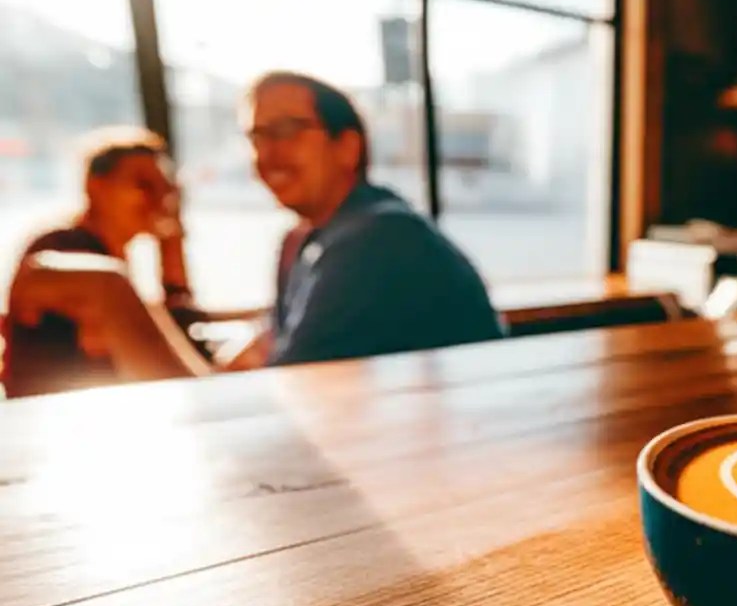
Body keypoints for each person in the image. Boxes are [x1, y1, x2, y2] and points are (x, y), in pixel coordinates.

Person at [8, 72, 503, 384]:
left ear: (348, 147)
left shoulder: (376, 239)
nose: (266, 155)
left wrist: (113, 295)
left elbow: (278, 413)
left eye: (286, 131)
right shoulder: (307, 241)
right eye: (257, 136)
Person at [2, 128, 193, 397]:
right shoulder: (68, 253)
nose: (161, 197)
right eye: (144, 185)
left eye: (165, 186)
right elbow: (152, 367)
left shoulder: (111, 254)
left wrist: (172, 246)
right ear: (96, 187)